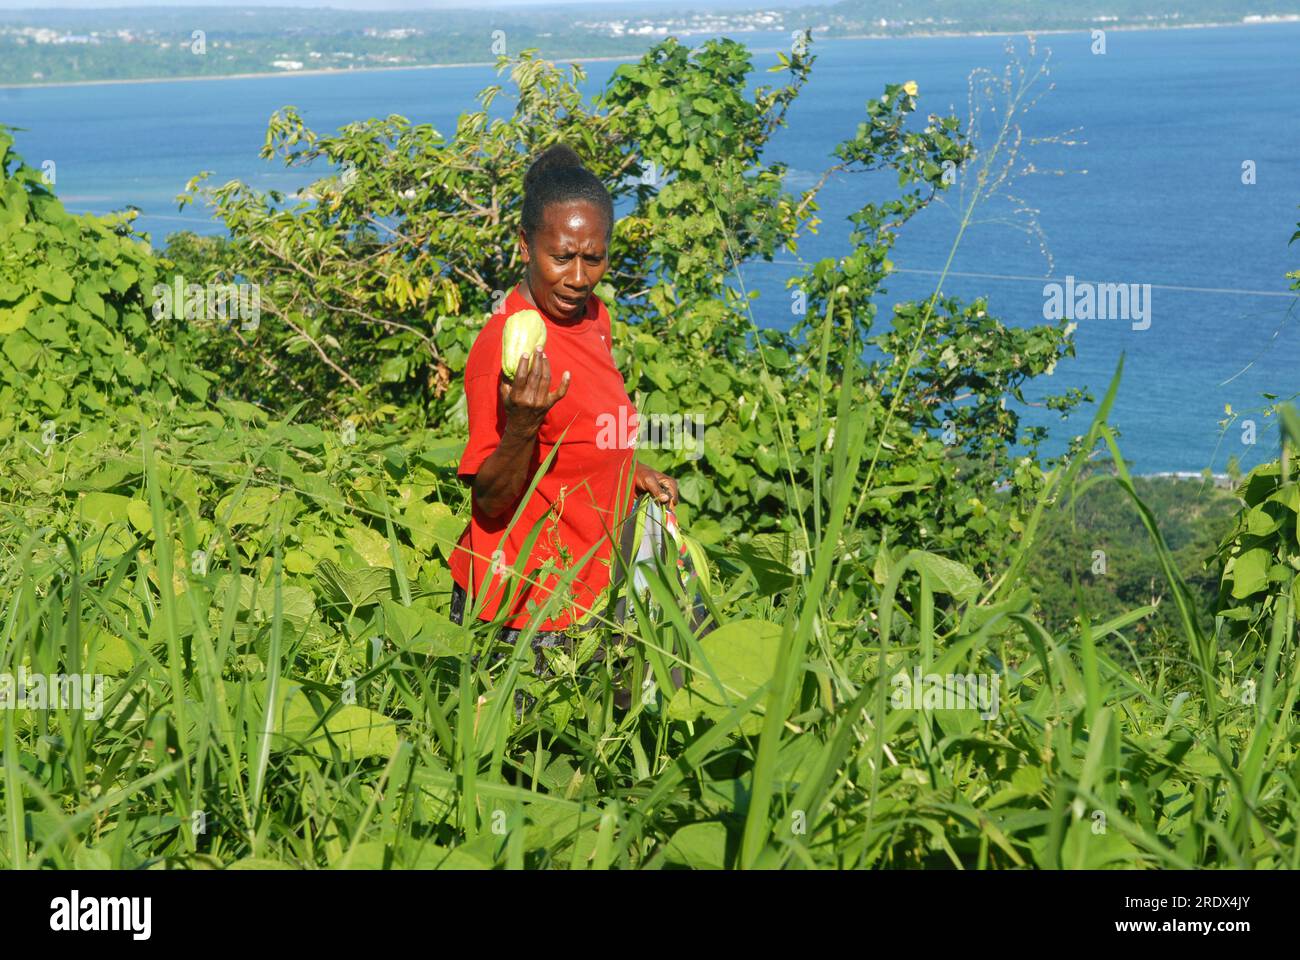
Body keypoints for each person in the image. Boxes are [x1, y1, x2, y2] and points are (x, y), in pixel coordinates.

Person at [448, 142, 679, 676]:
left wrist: (628, 469)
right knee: (523, 757)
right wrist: (522, 425)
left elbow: (580, 426)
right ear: (526, 246)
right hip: (526, 607)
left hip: (592, 586)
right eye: (561, 257)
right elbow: (489, 502)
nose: (578, 277)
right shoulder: (503, 350)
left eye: (593, 258)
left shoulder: (593, 317)